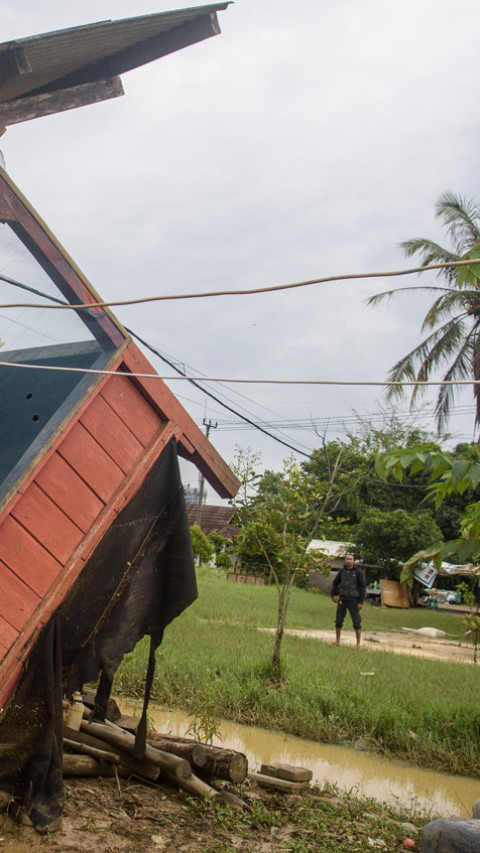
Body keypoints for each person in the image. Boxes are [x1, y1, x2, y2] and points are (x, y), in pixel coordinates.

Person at [331, 553, 366, 648]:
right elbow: (335, 582)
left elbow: (363, 588)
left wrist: (360, 602)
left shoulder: (358, 572)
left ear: (354, 561)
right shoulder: (342, 571)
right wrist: (333, 594)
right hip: (342, 599)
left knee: (356, 622)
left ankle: (358, 643)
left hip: (353, 600)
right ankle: (337, 641)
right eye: (347, 559)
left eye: (350, 559)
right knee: (338, 620)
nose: (348, 561)